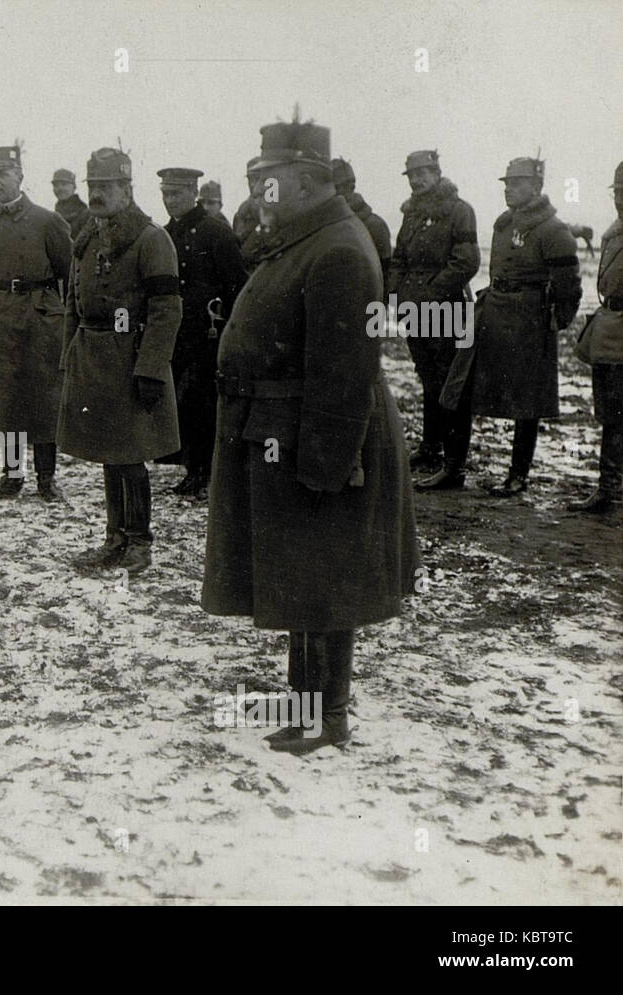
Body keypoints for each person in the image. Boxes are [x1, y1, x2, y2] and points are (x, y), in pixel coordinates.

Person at [202, 116, 419, 754]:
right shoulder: (304, 239)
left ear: (304, 181)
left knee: (327, 576)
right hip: (282, 431)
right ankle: (307, 706)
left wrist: (329, 466)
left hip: (317, 437)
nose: (256, 198)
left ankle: (330, 715)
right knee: (301, 573)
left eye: (265, 184)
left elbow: (344, 375)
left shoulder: (339, 251)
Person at [57, 148, 181, 575]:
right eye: (92, 186)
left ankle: (139, 541)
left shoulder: (151, 239)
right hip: (93, 356)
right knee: (109, 452)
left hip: (131, 358)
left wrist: (150, 368)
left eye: (106, 187)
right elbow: (72, 300)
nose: (97, 194)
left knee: (130, 455)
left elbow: (167, 309)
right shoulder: (87, 238)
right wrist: (69, 352)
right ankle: (114, 537)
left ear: (127, 190)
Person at [445, 156, 581, 497]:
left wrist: (553, 322)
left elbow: (569, 289)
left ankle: (518, 476)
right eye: (506, 183)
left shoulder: (554, 230)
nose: (508, 189)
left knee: (526, 401)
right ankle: (452, 467)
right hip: (492, 314)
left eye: (516, 183)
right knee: (460, 385)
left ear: (536, 187)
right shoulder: (503, 224)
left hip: (527, 322)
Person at [0, 144, 72, 502]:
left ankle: (46, 479)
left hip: (40, 318)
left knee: (43, 396)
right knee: (6, 397)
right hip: (0, 317)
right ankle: (11, 477)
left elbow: (68, 272)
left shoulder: (47, 220)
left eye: (4, 174)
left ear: (20, 177)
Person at [386, 149, 481, 488]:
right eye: (412, 174)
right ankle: (430, 448)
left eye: (423, 173)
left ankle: (453, 467)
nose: (417, 179)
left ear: (438, 172)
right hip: (416, 310)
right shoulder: (410, 214)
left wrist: (428, 295)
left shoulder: (459, 211)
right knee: (428, 378)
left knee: (450, 384)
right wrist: (396, 295)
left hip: (446, 308)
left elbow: (466, 262)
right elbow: (399, 259)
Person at [157, 166, 247, 498]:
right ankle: (192, 467)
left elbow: (237, 285)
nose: (170, 201)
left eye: (176, 194)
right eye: (165, 194)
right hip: (176, 333)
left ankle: (204, 472)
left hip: (208, 334)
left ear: (194, 193)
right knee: (183, 403)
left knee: (202, 404)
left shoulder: (216, 233)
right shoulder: (164, 234)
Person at [566, 160, 623, 513]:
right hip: (612, 328)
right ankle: (609, 489)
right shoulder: (614, 233)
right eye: (618, 192)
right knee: (611, 413)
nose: (620, 199)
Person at [332, 158, 392, 279]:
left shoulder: (375, 226)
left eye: (335, 188)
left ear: (351, 187)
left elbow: (385, 275)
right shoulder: (329, 225)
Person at [52, 168, 89, 239]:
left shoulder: (83, 212)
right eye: (56, 185)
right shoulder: (56, 213)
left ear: (74, 187)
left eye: (64, 184)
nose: (60, 188)